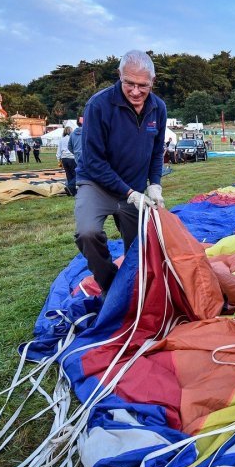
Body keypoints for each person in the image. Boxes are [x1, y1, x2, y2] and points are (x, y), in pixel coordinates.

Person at [73, 49, 167, 294]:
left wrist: (154, 183)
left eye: (143, 85)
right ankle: (110, 285)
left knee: (140, 246)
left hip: (134, 185)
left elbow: (156, 153)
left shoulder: (158, 108)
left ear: (152, 82)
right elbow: (94, 162)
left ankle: (137, 289)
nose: (136, 91)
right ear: (119, 76)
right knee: (88, 233)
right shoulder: (98, 105)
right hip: (97, 185)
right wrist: (129, 193)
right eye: (129, 83)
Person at [56, 126, 77, 195]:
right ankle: (70, 187)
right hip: (71, 157)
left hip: (64, 158)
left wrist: (59, 160)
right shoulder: (73, 138)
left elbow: (59, 150)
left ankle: (71, 191)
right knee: (76, 175)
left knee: (68, 175)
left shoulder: (61, 139)